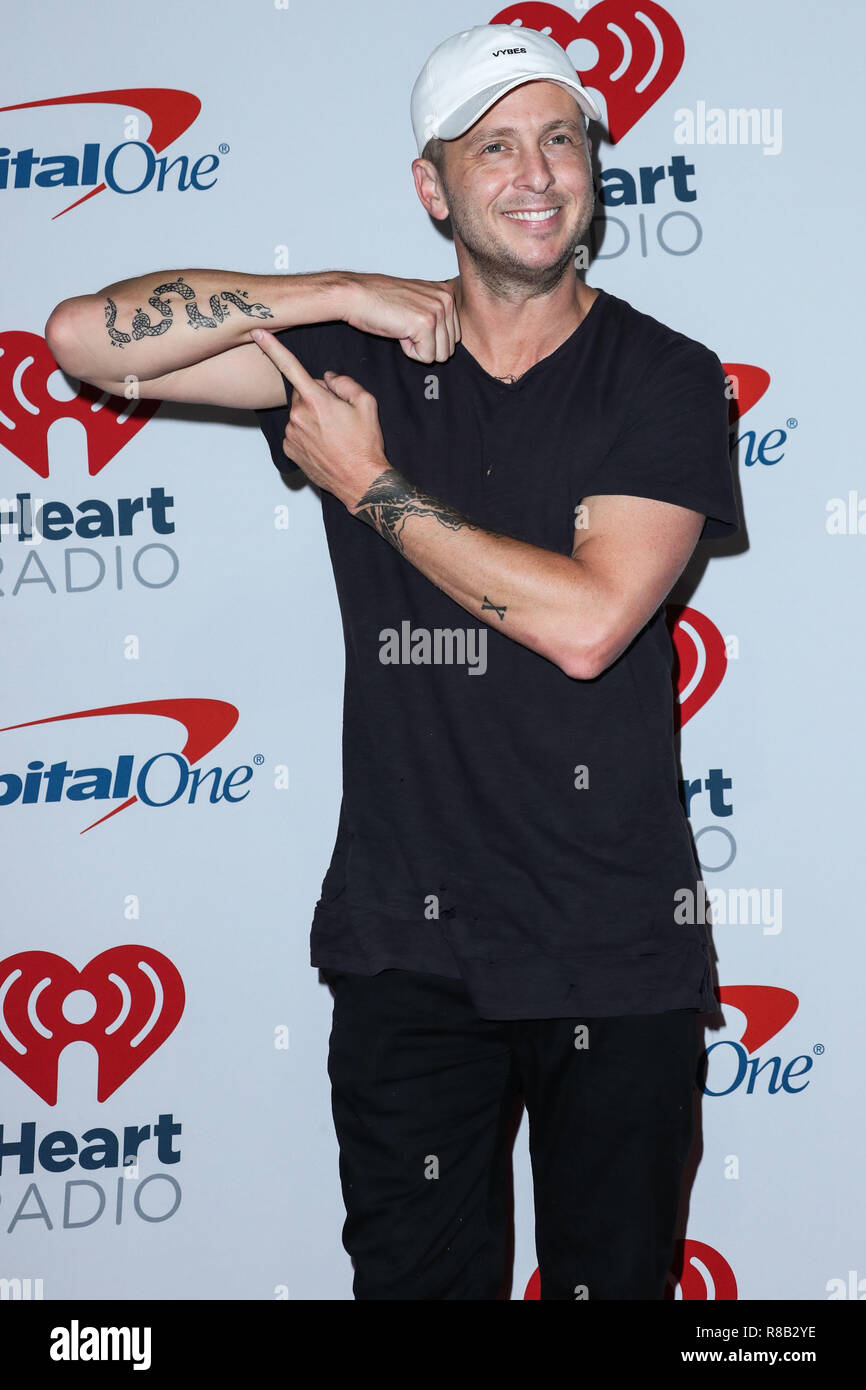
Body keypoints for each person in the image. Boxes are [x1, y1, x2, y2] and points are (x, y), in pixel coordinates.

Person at [45, 24, 738, 1300]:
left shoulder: (666, 378)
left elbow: (586, 626)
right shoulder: (355, 360)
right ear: (433, 188)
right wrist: (333, 296)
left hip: (615, 949)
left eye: (560, 140)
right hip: (407, 954)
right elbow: (84, 339)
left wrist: (365, 482)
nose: (536, 175)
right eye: (494, 148)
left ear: (592, 167)